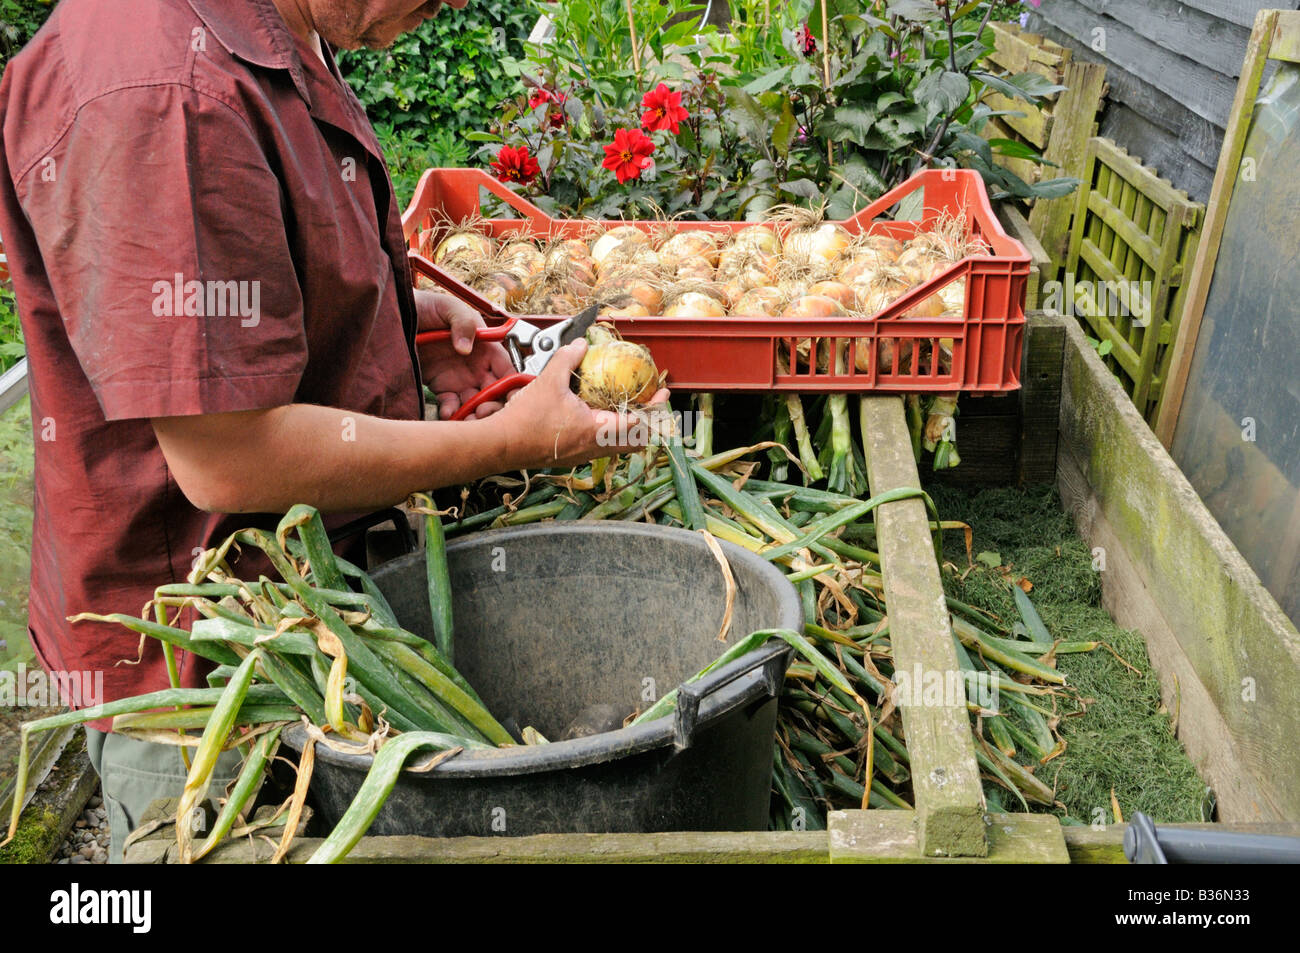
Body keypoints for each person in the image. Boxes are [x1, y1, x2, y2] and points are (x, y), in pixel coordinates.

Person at [0, 0, 664, 862]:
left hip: (303, 625)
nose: (456, 4)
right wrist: (506, 445)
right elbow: (228, 458)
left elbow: (249, 296)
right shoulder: (168, 96)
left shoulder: (274, 29)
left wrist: (396, 326)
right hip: (216, 683)